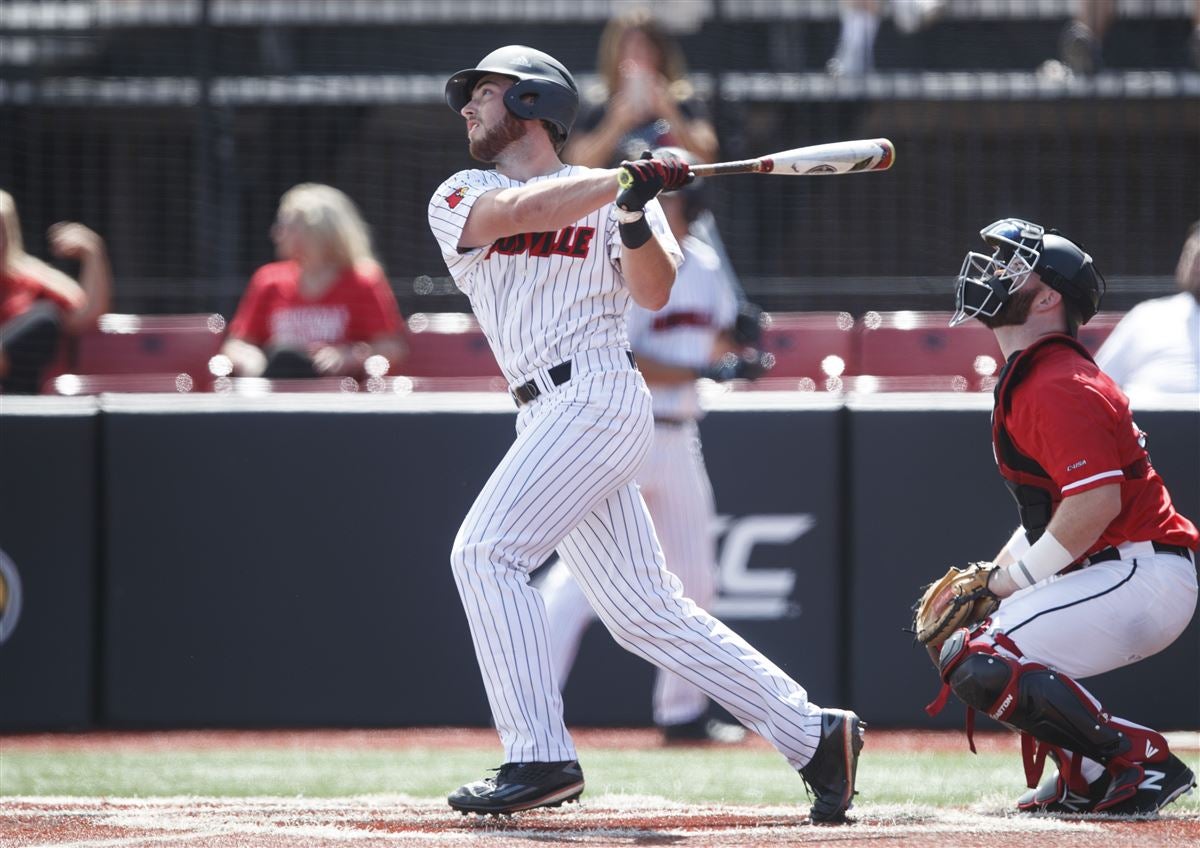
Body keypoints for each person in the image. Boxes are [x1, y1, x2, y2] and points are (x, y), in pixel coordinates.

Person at [427, 45, 864, 823]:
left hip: (594, 392)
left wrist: (634, 208)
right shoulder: (463, 192)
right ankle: (815, 734)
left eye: (484, 94)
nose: (467, 107)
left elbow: (655, 290)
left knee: (484, 552)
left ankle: (538, 756)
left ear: (530, 102)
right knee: (644, 612)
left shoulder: (617, 199)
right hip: (546, 409)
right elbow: (527, 212)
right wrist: (626, 179)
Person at [928, 217, 1198, 815]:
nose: (994, 274)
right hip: (1118, 569)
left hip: (1137, 572)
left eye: (1012, 266)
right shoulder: (1041, 374)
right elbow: (1050, 518)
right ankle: (1090, 773)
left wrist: (1008, 584)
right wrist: (990, 576)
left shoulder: (1057, 380)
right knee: (968, 645)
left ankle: (1137, 761)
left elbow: (1095, 505)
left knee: (984, 656)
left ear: (1049, 294)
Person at [537, 148, 770, 745]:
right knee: (579, 584)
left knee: (696, 579)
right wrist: (707, 374)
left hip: (681, 435)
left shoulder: (707, 263)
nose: (665, 203)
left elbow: (708, 337)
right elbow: (629, 357)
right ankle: (532, 709)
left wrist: (736, 341)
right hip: (625, 433)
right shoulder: (627, 260)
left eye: (673, 195)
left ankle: (681, 714)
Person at [222, 183, 406, 380]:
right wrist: (252, 360)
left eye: (287, 226)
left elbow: (392, 348)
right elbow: (236, 344)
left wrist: (350, 355)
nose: (275, 233)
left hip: (341, 395)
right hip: (276, 395)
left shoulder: (363, 280)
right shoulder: (268, 280)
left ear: (316, 232)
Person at [562, 8, 718, 168]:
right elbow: (578, 165)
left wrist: (671, 113)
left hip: (672, 190)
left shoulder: (685, 103)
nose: (639, 60)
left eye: (646, 50)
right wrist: (614, 126)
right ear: (615, 58)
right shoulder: (597, 108)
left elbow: (706, 157)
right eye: (630, 51)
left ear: (661, 55)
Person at [0, 189, 112, 395]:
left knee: (45, 317)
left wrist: (93, 252)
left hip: (14, 401)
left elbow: (86, 313)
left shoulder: (31, 279)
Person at [1094, 221, 1200, 396]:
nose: (1195, 265)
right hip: (1144, 421)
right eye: (1191, 254)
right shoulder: (1147, 316)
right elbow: (1100, 384)